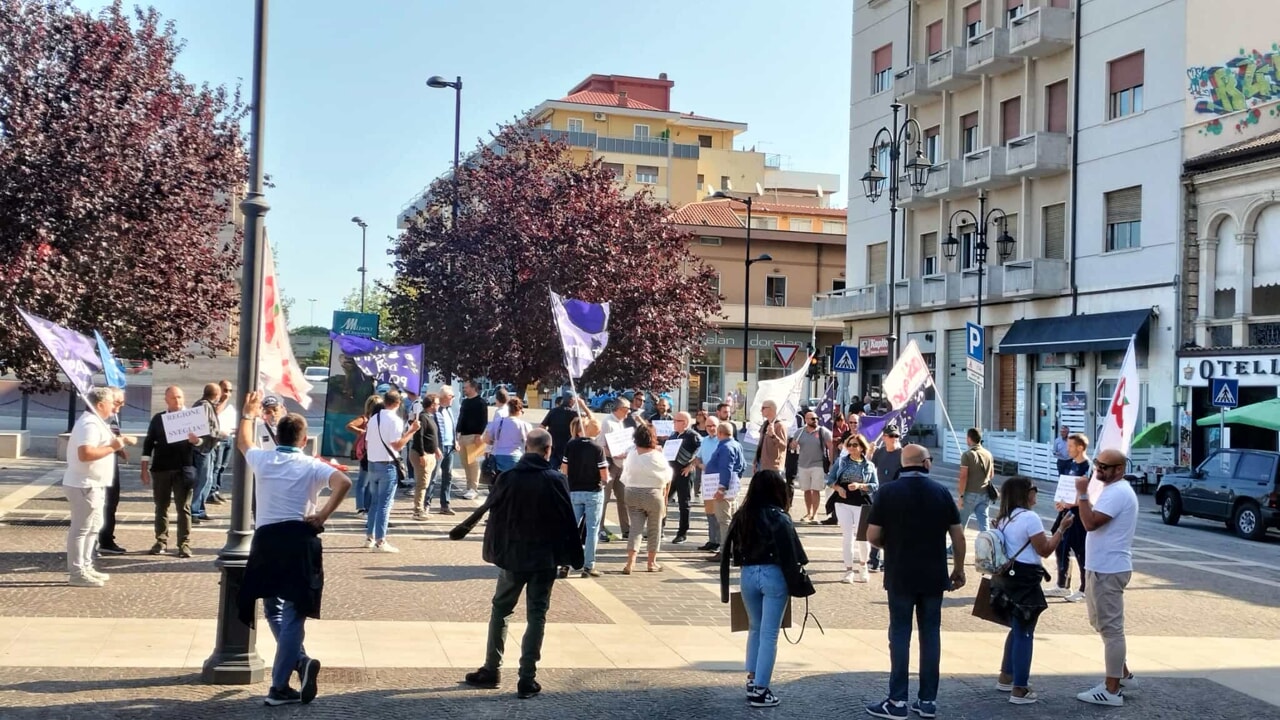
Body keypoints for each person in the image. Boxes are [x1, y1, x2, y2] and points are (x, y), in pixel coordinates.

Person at [235, 390, 352, 707]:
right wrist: (323, 514)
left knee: (272, 608)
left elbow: (243, 442)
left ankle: (295, 666)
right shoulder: (311, 464)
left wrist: (247, 413)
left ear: (278, 438)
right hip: (300, 539)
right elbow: (344, 483)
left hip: (267, 540)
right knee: (294, 614)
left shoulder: (263, 458)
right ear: (304, 440)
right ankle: (281, 682)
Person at [463, 429, 583, 700]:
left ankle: (491, 669)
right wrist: (575, 557)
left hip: (513, 557)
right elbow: (567, 519)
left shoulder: (508, 478)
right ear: (549, 450)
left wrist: (495, 550)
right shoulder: (556, 479)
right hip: (544, 559)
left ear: (526, 447)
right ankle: (527, 678)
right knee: (536, 615)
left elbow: (494, 516)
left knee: (501, 610)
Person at [865, 444, 966, 719]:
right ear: (925, 463)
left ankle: (897, 701)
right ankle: (927, 700)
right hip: (934, 574)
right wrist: (958, 568)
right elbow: (958, 536)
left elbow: (872, 535)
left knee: (899, 634)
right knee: (930, 635)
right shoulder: (941, 492)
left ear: (903, 463)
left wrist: (892, 545)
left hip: (900, 572)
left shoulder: (887, 492)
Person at [719, 469, 809, 709]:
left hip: (748, 573)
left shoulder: (743, 514)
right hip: (773, 573)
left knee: (755, 629)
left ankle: (752, 679)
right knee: (770, 633)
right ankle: (761, 688)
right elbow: (792, 554)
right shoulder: (779, 516)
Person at [992, 476, 1073, 705]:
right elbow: (1045, 549)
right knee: (1025, 632)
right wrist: (1062, 529)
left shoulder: (1003, 519)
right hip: (1026, 580)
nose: (1036, 492)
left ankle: (1006, 676)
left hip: (1006, 578)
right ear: (1025, 494)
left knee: (1015, 629)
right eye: (1033, 489)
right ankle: (1020, 688)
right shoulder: (1030, 518)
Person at [1074, 448, 1139, 707]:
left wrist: (1082, 494)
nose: (1098, 470)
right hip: (1102, 566)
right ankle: (1123, 676)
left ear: (1119, 470)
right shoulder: (1114, 491)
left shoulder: (1118, 492)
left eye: (1104, 467)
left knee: (1111, 630)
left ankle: (1112, 690)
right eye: (1097, 464)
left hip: (1108, 569)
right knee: (1101, 624)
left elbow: (1090, 523)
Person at [64, 387, 136, 586]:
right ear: (100, 404)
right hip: (84, 484)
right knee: (81, 529)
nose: (115, 407)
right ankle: (77, 572)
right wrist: (115, 445)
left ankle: (86, 566)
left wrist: (118, 444)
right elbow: (85, 454)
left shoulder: (96, 422)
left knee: (93, 528)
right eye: (113, 403)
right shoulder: (89, 424)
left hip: (94, 483)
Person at [141, 386, 200, 558]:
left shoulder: (192, 417)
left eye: (180, 397)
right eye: (173, 398)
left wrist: (197, 441)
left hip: (184, 469)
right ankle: (161, 541)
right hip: (161, 469)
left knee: (184, 508)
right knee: (161, 506)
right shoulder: (158, 419)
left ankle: (184, 544)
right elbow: (148, 443)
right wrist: (144, 468)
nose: (178, 401)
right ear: (166, 400)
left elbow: (207, 442)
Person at [364, 389, 419, 552]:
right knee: (384, 504)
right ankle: (381, 540)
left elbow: (367, 443)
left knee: (374, 503)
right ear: (397, 403)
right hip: (387, 465)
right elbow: (397, 445)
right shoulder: (395, 420)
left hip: (372, 463)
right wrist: (412, 431)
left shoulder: (374, 418)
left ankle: (370, 536)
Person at [620, 423, 672, 574]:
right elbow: (668, 476)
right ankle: (651, 563)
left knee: (635, 528)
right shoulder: (657, 455)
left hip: (631, 492)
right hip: (652, 493)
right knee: (654, 529)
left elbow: (625, 475)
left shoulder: (631, 454)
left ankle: (630, 562)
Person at [826, 434, 878, 584]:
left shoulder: (869, 465)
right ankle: (848, 570)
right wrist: (838, 489)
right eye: (849, 445)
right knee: (847, 536)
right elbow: (830, 479)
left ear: (862, 447)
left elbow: (875, 485)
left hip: (862, 503)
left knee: (863, 538)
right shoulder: (841, 462)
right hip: (842, 502)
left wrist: (860, 485)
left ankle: (863, 566)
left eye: (855, 445)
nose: (851, 448)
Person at [560, 417, 608, 578]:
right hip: (593, 491)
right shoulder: (597, 448)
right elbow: (604, 475)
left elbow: (564, 469)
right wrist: (603, 483)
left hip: (574, 491)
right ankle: (589, 565)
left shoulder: (571, 445)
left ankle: (565, 563)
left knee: (570, 529)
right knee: (592, 530)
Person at [1048, 432, 1091, 602]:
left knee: (1081, 551)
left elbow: (1088, 495)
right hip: (1065, 513)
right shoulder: (1070, 465)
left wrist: (1071, 504)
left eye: (1071, 446)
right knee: (1060, 545)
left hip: (1079, 516)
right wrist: (1060, 502)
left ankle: (1085, 588)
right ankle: (1062, 585)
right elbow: (1065, 487)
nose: (1068, 449)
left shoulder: (1087, 468)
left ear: (1080, 447)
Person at [704, 421, 745, 562]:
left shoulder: (725, 447)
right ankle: (732, 549)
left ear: (720, 433)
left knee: (724, 520)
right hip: (732, 487)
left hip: (723, 488)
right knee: (730, 519)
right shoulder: (736, 445)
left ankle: (725, 551)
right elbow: (743, 465)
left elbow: (725, 468)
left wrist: (722, 488)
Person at [97, 387, 129, 555]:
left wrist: (120, 448)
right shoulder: (99, 419)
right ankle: (104, 539)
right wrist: (118, 444)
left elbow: (113, 435)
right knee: (106, 503)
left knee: (112, 500)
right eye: (117, 403)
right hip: (101, 465)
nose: (120, 406)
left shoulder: (112, 416)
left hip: (111, 462)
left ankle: (107, 537)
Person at [596, 400, 634, 541]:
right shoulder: (607, 422)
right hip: (609, 464)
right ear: (620, 408)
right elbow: (600, 446)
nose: (629, 412)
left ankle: (626, 529)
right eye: (627, 409)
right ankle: (599, 528)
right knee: (604, 498)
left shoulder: (620, 422)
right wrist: (613, 454)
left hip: (621, 465)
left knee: (623, 498)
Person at [868, 426, 903, 572]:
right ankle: (874, 559)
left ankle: (889, 560)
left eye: (896, 436)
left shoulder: (902, 453)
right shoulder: (880, 452)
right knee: (876, 528)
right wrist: (870, 452)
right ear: (884, 437)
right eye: (891, 436)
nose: (894, 438)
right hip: (879, 495)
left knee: (893, 531)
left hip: (896, 497)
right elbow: (870, 467)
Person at [189, 383, 225, 523]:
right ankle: (194, 511)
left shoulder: (207, 405)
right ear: (216, 394)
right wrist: (219, 434)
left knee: (208, 480)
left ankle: (200, 509)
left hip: (208, 448)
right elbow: (202, 428)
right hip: (201, 449)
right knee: (202, 480)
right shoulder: (203, 406)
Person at [665, 411, 702, 544]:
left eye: (676, 421)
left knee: (683, 503)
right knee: (663, 500)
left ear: (685, 423)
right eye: (674, 420)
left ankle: (682, 533)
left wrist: (691, 465)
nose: (674, 423)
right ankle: (660, 528)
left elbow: (700, 452)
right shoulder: (673, 435)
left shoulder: (693, 436)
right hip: (671, 473)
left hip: (684, 473)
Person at [791, 411, 832, 524]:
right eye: (812, 419)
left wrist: (831, 461)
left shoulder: (823, 431)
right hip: (803, 464)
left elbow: (830, 445)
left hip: (817, 464)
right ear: (806, 420)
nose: (815, 420)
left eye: (816, 418)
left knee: (816, 489)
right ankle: (808, 512)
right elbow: (793, 447)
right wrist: (793, 445)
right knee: (806, 490)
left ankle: (814, 514)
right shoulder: (799, 432)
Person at [345, 394, 383, 515]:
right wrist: (362, 432)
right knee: (363, 481)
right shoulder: (365, 419)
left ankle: (367, 506)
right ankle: (361, 507)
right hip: (366, 454)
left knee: (369, 482)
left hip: (374, 453)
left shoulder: (379, 419)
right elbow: (349, 426)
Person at [427, 386, 459, 516]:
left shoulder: (449, 410)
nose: (453, 399)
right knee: (433, 477)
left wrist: (455, 441)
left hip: (449, 447)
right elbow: (432, 432)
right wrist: (435, 447)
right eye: (451, 396)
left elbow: (452, 427)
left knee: (448, 476)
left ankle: (445, 504)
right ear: (444, 397)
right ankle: (426, 504)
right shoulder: (435, 411)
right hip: (438, 448)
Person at [957, 427, 995, 534]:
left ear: (969, 439)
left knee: (961, 522)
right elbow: (991, 475)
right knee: (984, 524)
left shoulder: (967, 455)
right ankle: (989, 545)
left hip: (970, 493)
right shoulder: (988, 454)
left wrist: (961, 496)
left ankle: (955, 547)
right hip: (985, 493)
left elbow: (963, 476)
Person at [410, 393, 442, 521]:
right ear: (432, 405)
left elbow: (431, 437)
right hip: (421, 454)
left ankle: (421, 508)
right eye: (437, 403)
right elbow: (419, 437)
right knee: (422, 483)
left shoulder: (430, 417)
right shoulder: (422, 418)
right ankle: (418, 511)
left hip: (430, 453)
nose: (438, 406)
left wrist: (436, 448)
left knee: (425, 482)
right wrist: (422, 454)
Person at [456, 380, 489, 500]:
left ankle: (473, 489)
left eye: (466, 387)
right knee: (465, 463)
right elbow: (461, 418)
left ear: (473, 388)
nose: (464, 389)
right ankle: (468, 487)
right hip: (463, 436)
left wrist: (479, 434)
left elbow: (484, 420)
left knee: (473, 463)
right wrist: (458, 432)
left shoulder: (481, 402)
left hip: (475, 436)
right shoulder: (465, 402)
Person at [483, 398, 533, 473]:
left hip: (498, 456)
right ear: (519, 410)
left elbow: (486, 439)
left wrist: (495, 442)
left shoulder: (498, 421)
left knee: (499, 481)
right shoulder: (525, 425)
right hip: (517, 457)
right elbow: (531, 444)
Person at [696, 416, 722, 551]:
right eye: (708, 426)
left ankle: (719, 542)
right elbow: (698, 457)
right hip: (707, 480)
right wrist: (700, 465)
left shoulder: (722, 441)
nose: (711, 428)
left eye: (714, 426)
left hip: (719, 480)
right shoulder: (705, 441)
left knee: (719, 512)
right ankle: (712, 540)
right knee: (709, 512)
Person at [210, 379, 235, 505]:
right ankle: (211, 492)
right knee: (216, 466)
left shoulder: (229, 405)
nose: (228, 393)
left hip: (228, 437)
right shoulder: (214, 403)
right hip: (218, 438)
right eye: (225, 390)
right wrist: (223, 399)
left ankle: (217, 490)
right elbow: (215, 414)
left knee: (222, 467)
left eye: (230, 390)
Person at [541, 392, 579, 463]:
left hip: (553, 446)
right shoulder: (573, 413)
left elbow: (542, 427)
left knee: (552, 470)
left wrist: (548, 438)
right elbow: (579, 430)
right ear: (571, 400)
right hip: (567, 446)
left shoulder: (553, 411)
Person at [753, 400, 787, 473]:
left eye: (763, 408)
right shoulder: (765, 424)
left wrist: (773, 436)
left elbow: (783, 447)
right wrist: (755, 461)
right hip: (761, 463)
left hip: (773, 466)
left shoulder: (779, 426)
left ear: (771, 409)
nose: (761, 410)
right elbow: (760, 445)